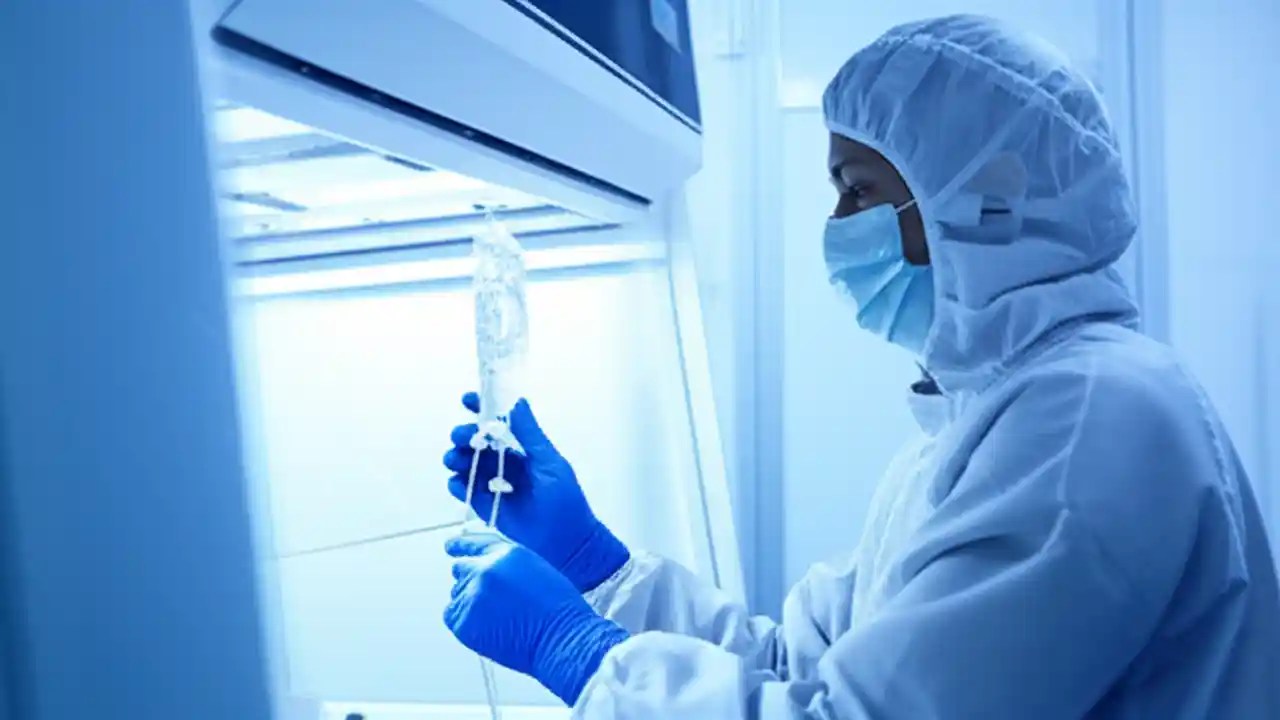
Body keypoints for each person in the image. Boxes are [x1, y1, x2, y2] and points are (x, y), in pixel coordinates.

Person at [440, 14, 1280, 719]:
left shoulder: (1087, 422)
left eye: (857, 191)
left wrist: (579, 654)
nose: (837, 226)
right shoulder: (981, 420)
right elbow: (803, 669)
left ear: (986, 201)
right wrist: (598, 565)